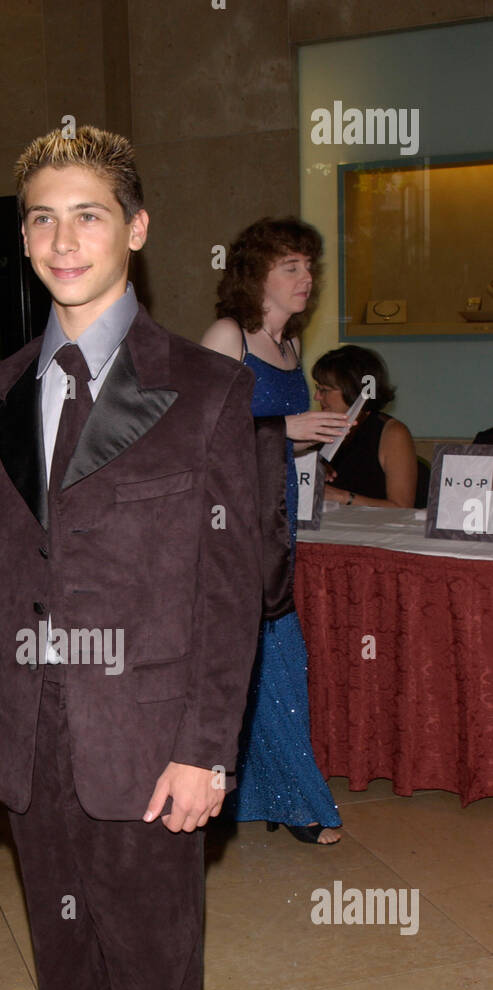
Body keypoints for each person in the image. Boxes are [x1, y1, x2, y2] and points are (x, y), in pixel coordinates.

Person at [0, 126, 267, 990]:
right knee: (63, 942)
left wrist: (205, 747)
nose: (60, 237)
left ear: (133, 229)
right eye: (39, 216)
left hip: (145, 736)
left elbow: (231, 594)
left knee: (151, 955)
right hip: (31, 733)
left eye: (86, 212)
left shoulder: (205, 392)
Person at [201, 216, 345, 845]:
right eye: (290, 267)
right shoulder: (227, 335)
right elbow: (192, 433)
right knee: (258, 662)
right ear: (255, 276)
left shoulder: (289, 350)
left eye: (309, 267)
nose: (305, 279)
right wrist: (287, 431)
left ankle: (268, 797)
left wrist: (317, 441)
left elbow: (275, 442)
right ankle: (297, 804)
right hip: (227, 527)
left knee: (274, 661)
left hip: (273, 524)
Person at [313, 345, 424, 508]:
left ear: (353, 390)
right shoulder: (318, 429)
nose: (317, 396)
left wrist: (339, 496)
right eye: (318, 388)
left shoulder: (392, 433)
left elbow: (401, 507)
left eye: (325, 390)